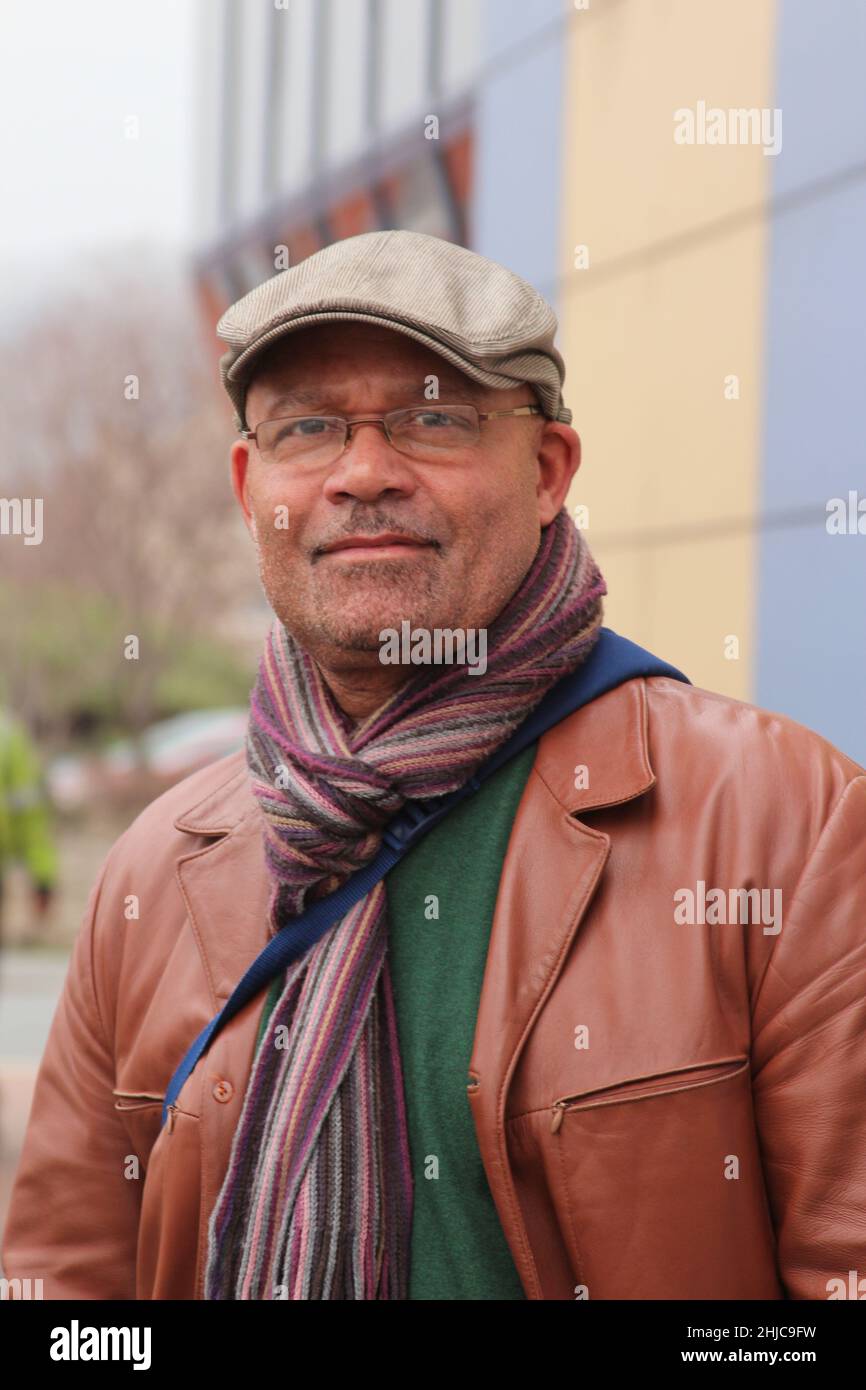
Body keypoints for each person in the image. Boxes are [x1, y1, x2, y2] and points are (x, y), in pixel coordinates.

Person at [3, 230, 865, 1301]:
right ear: (247, 485)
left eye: (431, 419)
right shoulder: (149, 876)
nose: (363, 473)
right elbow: (66, 1287)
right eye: (308, 427)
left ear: (548, 469)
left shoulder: (784, 824)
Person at [0, 709, 57, 943]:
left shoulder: (9, 739)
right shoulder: (9, 738)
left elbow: (28, 810)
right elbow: (32, 819)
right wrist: (43, 879)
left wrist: (43, 877)